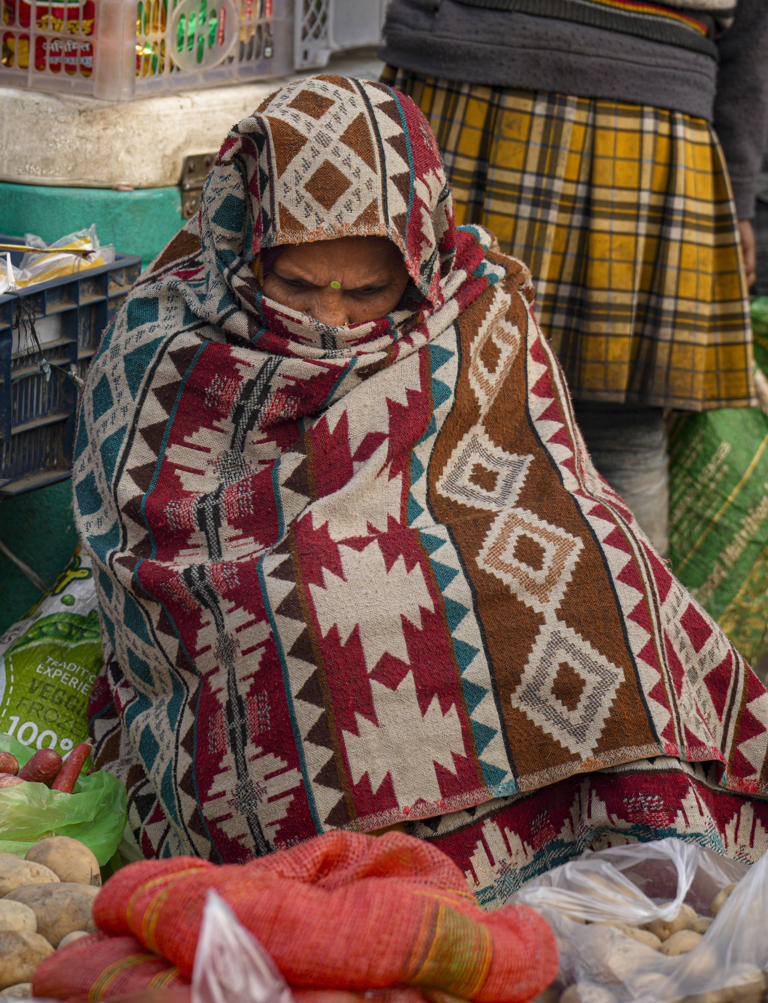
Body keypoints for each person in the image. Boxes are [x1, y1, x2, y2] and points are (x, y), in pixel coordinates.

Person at [73, 74, 768, 908]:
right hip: (260, 566)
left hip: (451, 519)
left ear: (420, 260)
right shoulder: (168, 343)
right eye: (297, 286)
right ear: (244, 245)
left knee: (605, 579)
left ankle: (614, 841)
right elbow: (154, 549)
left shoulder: (475, 306)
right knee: (300, 631)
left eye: (367, 291)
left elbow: (541, 478)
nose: (331, 320)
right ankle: (349, 889)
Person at [379, 0, 768, 556]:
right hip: (646, 116)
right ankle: (635, 634)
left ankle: (413, 612)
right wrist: (739, 182)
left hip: (479, 76)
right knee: (615, 427)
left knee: (433, 391)